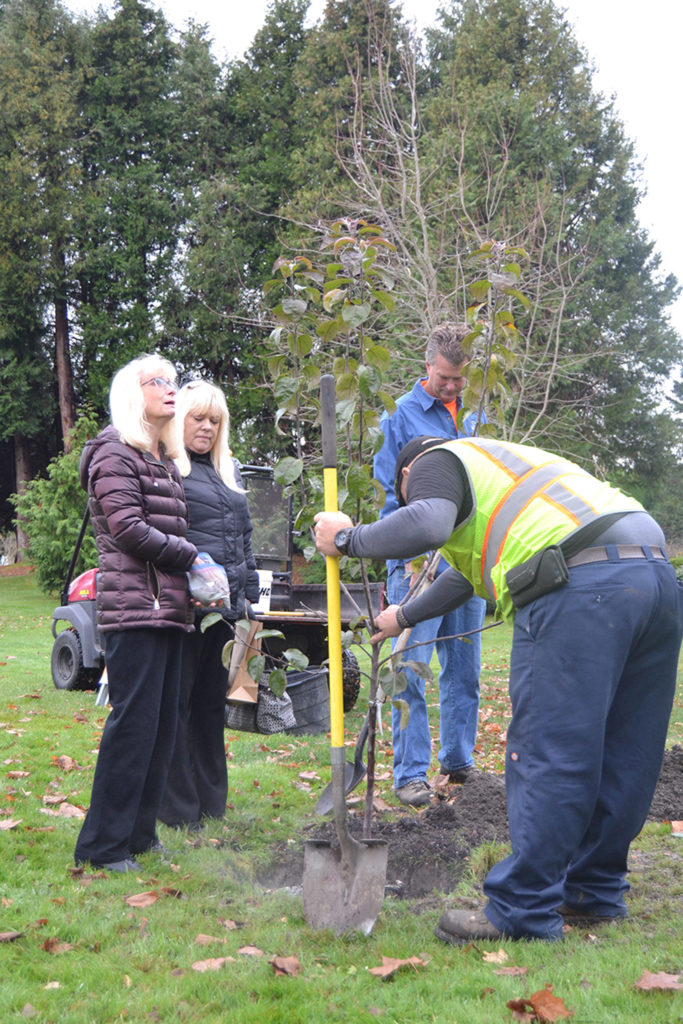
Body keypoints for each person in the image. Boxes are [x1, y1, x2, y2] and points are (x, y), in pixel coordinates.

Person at [315, 434, 683, 942]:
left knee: (550, 749)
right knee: (628, 749)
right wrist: (404, 615)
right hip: (654, 575)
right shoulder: (510, 473)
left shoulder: (435, 460)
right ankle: (593, 891)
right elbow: (465, 575)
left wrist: (347, 538)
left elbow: (428, 523)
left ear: (407, 477)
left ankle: (524, 910)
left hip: (580, 587)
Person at [74, 355, 200, 872]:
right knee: (133, 727)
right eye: (160, 382)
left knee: (162, 727)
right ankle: (102, 847)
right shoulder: (113, 451)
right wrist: (193, 557)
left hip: (168, 608)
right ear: (133, 392)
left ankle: (140, 837)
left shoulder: (162, 458)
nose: (173, 390)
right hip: (135, 608)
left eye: (175, 381)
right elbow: (126, 528)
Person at [373, 324, 486, 806]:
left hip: (467, 564)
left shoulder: (478, 418)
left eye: (459, 379)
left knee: (464, 669)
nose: (452, 386)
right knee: (411, 667)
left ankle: (459, 763)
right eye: (444, 377)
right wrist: (417, 556)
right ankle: (410, 774)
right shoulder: (399, 415)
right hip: (418, 564)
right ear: (428, 367)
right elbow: (389, 495)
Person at [158, 381, 259, 830]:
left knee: (210, 707)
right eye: (198, 418)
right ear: (180, 419)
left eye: (214, 421)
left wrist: (249, 590)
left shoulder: (226, 472)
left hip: (225, 611)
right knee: (177, 707)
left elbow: (244, 538)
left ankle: (210, 804)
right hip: (184, 611)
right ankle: (177, 810)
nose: (206, 427)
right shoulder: (168, 469)